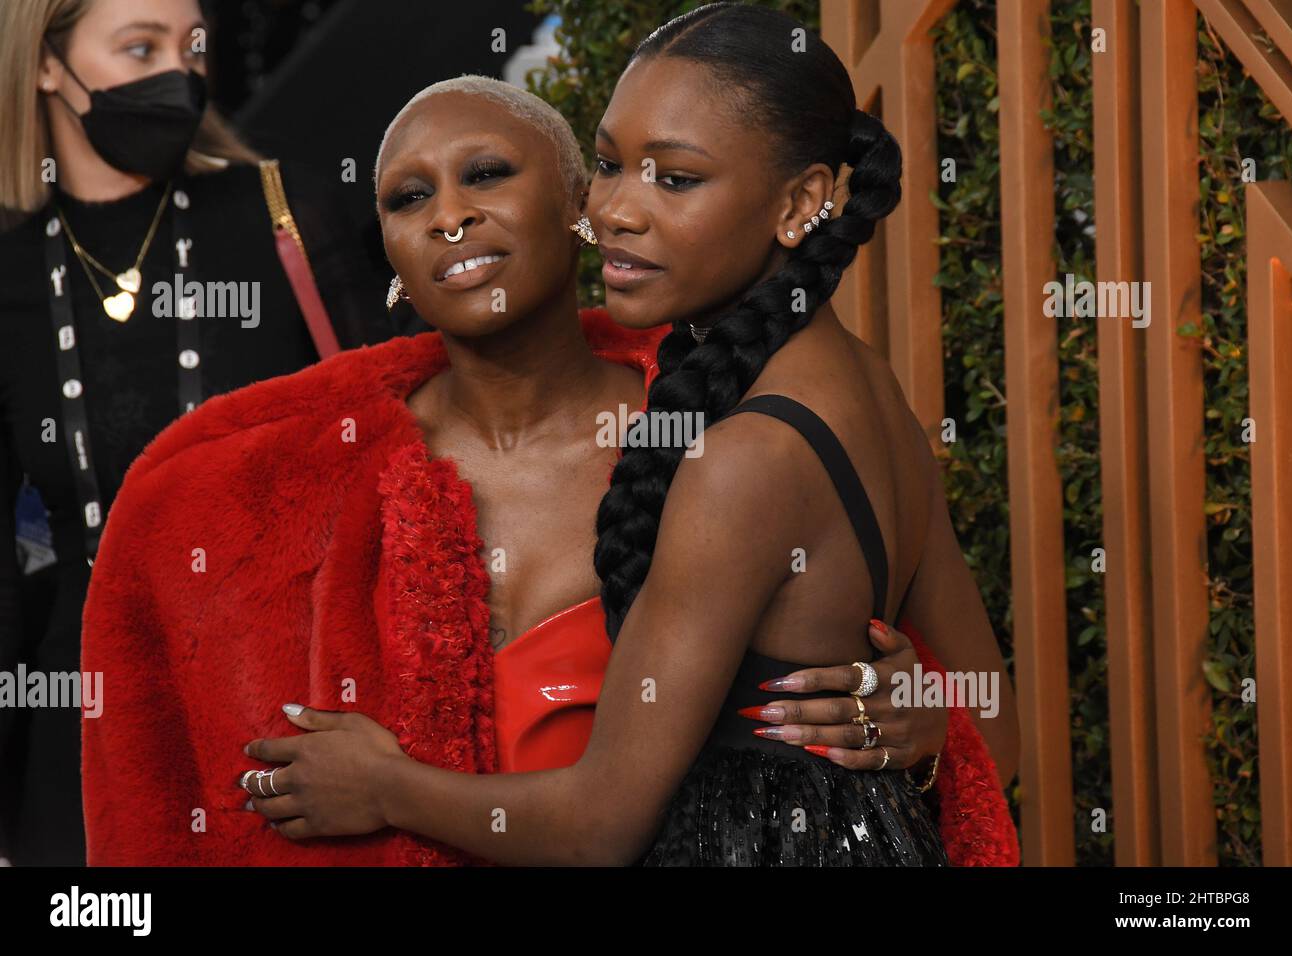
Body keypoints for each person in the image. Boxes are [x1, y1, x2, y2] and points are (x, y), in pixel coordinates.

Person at [79, 71, 1002, 866]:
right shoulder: (296, 486)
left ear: (579, 208)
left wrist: (924, 733)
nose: (450, 215)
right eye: (408, 198)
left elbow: (966, 697)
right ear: (392, 258)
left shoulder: (722, 438)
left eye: (486, 173)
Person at [0, 0, 393, 864]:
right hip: (80, 730)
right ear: (44, 66)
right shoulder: (11, 272)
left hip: (295, 709)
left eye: (191, 47)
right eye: (140, 47)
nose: (176, 74)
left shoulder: (282, 211)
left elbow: (398, 450)